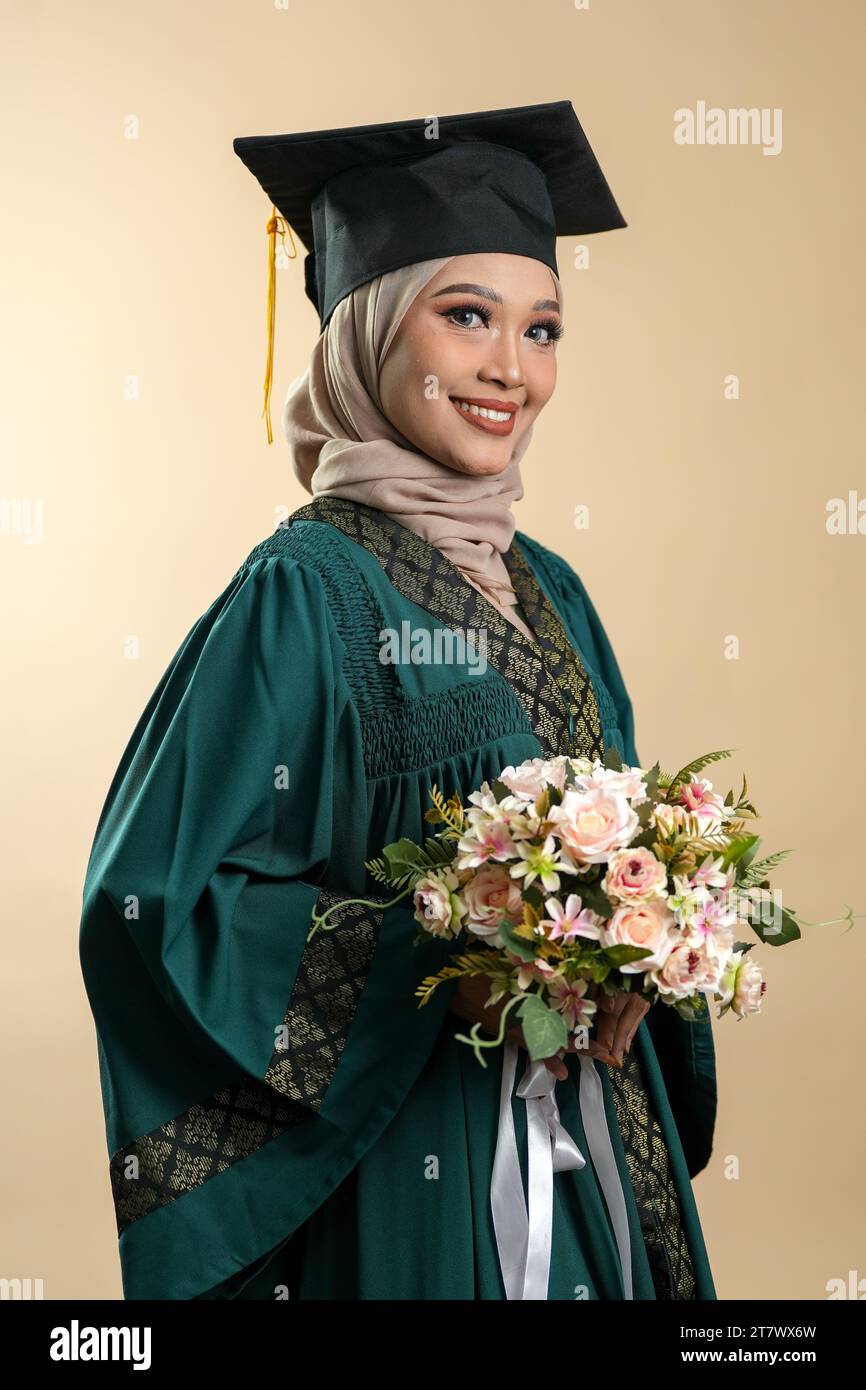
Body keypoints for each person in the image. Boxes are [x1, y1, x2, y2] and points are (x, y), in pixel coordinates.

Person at [78, 102, 717, 1300]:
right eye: (464, 316)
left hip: (593, 1161)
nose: (510, 372)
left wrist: (645, 945)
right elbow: (157, 901)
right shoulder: (303, 589)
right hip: (413, 1178)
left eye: (541, 330)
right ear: (371, 330)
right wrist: (436, 952)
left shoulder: (551, 589)